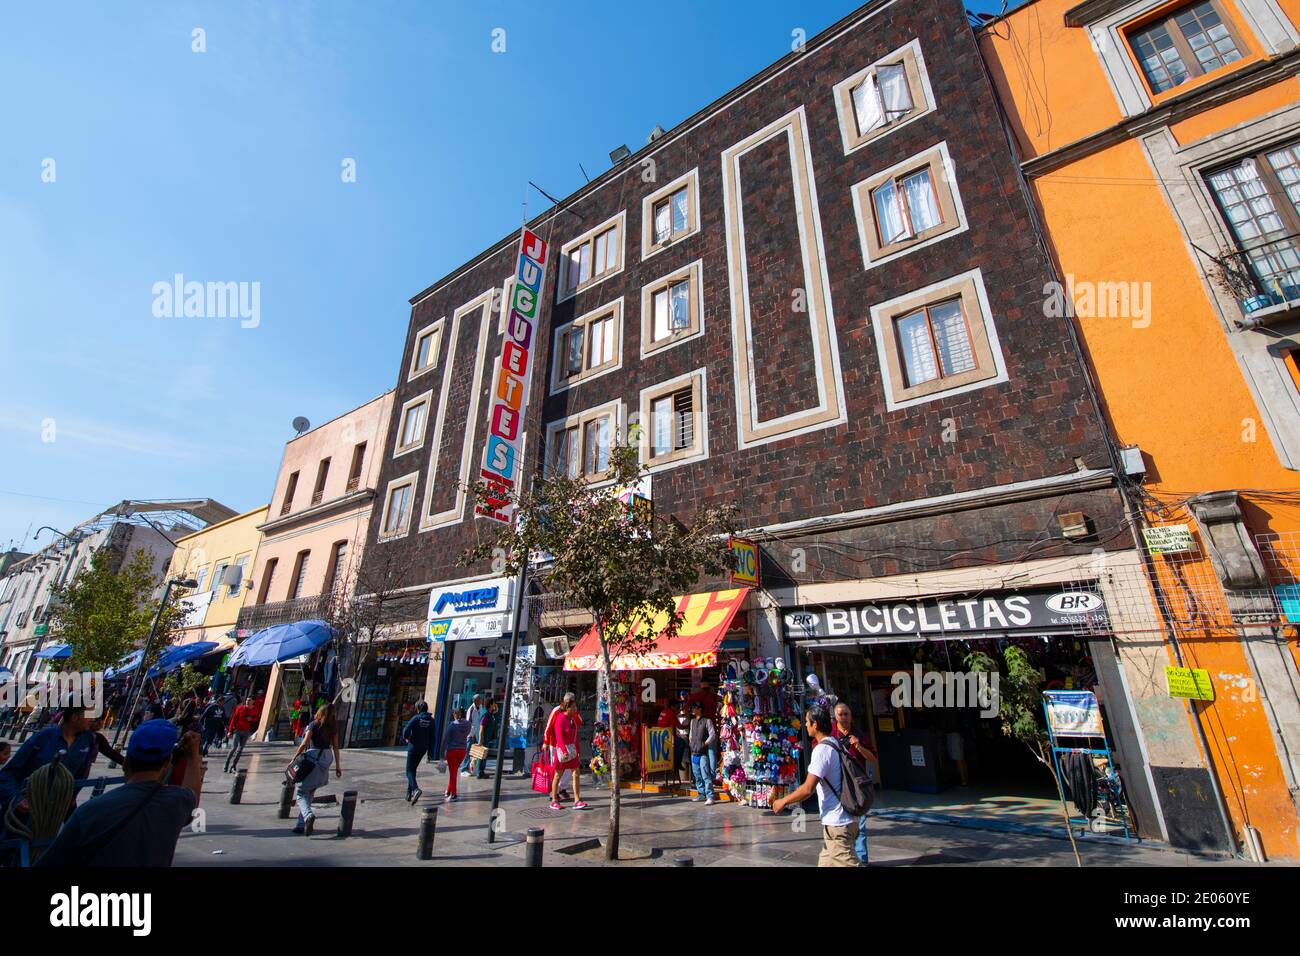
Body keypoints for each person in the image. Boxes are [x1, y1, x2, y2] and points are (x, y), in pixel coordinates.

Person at [36, 719, 203, 867]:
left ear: (127, 760)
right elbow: (192, 796)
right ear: (166, 763)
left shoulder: (91, 811)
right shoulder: (176, 803)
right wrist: (193, 756)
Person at [772, 704, 862, 867]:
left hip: (838, 824)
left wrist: (783, 801)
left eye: (807, 721)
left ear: (816, 724)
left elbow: (808, 788)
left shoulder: (821, 750)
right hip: (844, 821)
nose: (805, 725)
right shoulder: (836, 743)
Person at [0, 706, 96, 813]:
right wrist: (15, 799)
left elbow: (82, 771)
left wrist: (72, 795)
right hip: (27, 805)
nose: (93, 719)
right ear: (74, 717)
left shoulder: (87, 740)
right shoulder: (44, 737)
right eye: (89, 715)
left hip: (56, 809)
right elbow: (8, 773)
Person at [832, 701, 878, 866]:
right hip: (838, 785)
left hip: (857, 786)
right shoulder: (831, 735)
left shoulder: (859, 734)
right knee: (840, 826)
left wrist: (859, 746)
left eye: (846, 714)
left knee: (860, 825)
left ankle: (862, 861)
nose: (844, 717)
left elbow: (873, 758)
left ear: (851, 717)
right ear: (835, 717)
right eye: (840, 714)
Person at [286, 704, 342, 834]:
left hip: (313, 757)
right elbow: (336, 747)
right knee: (310, 791)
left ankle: (308, 816)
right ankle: (301, 824)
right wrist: (338, 766)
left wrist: (294, 757)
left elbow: (304, 743)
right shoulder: (333, 727)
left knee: (301, 792)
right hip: (327, 757)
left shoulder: (314, 724)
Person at [547, 696, 586, 810]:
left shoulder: (572, 718)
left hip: (572, 750)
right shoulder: (560, 718)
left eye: (575, 707)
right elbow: (559, 736)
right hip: (563, 750)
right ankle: (554, 799)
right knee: (558, 775)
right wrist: (563, 751)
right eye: (573, 707)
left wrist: (577, 751)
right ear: (567, 708)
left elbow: (579, 725)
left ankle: (577, 800)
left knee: (576, 773)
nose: (575, 709)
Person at [542, 692, 577, 799]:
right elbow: (549, 726)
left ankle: (562, 788)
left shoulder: (573, 712)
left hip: (569, 745)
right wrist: (545, 741)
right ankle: (554, 793)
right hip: (555, 744)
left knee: (567, 770)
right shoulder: (556, 710)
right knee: (557, 769)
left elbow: (577, 723)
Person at [401, 701, 435, 803]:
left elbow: (406, 730)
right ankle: (409, 793)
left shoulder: (416, 718)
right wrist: (430, 753)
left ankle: (415, 789)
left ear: (418, 709)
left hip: (413, 747)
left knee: (409, 771)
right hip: (423, 749)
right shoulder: (431, 721)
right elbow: (433, 737)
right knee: (413, 769)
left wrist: (407, 738)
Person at [688, 701, 718, 805]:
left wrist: (704, 744)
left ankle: (710, 796)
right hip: (694, 752)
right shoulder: (692, 721)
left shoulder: (707, 721)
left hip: (703, 753)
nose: (692, 710)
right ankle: (701, 794)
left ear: (699, 709)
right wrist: (691, 744)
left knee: (705, 774)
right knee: (697, 775)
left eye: (694, 708)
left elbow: (712, 735)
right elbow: (691, 735)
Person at [441, 708, 471, 802]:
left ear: (455, 715)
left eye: (454, 713)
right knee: (453, 772)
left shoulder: (452, 726)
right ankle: (448, 790)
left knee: (453, 773)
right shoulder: (468, 724)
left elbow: (445, 740)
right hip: (462, 751)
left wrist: (442, 755)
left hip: (452, 751)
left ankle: (454, 794)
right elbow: (468, 733)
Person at [224, 696, 258, 773]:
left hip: (246, 731)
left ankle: (233, 766)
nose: (247, 701)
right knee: (234, 748)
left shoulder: (254, 709)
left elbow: (256, 718)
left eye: (249, 700)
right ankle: (226, 764)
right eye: (247, 700)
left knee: (240, 750)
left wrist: (251, 719)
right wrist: (229, 731)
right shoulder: (240, 708)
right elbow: (234, 719)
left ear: (253, 702)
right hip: (237, 730)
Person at [476, 699, 500, 780]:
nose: (494, 705)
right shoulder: (486, 715)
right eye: (493, 704)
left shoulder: (490, 713)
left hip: (487, 738)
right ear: (490, 705)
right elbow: (482, 728)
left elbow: (496, 710)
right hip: (484, 738)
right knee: (481, 756)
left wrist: (495, 706)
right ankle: (479, 772)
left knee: (484, 755)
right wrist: (480, 740)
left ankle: (481, 771)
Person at [459, 694, 483, 777]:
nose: (481, 700)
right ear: (475, 700)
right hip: (471, 734)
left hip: (477, 733)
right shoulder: (471, 709)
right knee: (468, 752)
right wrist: (471, 733)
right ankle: (463, 769)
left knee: (476, 753)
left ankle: (472, 768)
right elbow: (468, 722)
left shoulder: (480, 707)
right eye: (479, 699)